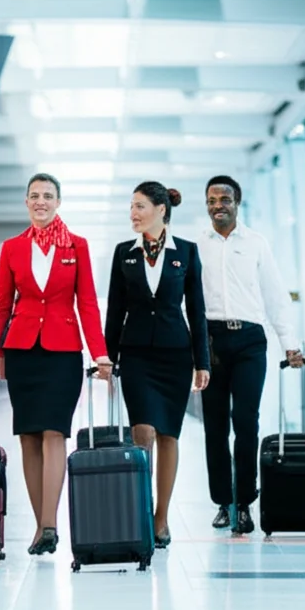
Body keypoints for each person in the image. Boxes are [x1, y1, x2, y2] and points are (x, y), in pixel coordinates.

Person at [0, 172, 112, 556]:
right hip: (22, 352)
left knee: (55, 433)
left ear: (59, 202)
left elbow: (87, 303)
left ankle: (49, 523)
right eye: (34, 196)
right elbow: (3, 305)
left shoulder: (76, 246)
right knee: (29, 437)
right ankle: (40, 526)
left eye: (48, 196)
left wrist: (99, 353)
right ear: (27, 201)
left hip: (63, 351)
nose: (40, 202)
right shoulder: (13, 248)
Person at [103, 181, 210, 548]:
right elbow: (115, 310)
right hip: (135, 355)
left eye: (140, 206)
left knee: (169, 435)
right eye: (131, 206)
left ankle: (160, 516)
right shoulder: (124, 253)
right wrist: (107, 357)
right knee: (143, 431)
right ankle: (139, 505)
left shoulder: (187, 253)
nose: (133, 213)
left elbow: (197, 312)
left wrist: (202, 362)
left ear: (161, 210)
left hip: (175, 354)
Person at [197, 175, 303, 534]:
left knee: (246, 421)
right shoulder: (197, 247)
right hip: (211, 342)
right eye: (212, 200)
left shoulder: (256, 243)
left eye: (225, 199)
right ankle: (222, 503)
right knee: (215, 425)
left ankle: (244, 503)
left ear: (237, 203)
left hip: (250, 341)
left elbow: (275, 295)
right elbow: (188, 303)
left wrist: (290, 343)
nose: (218, 205)